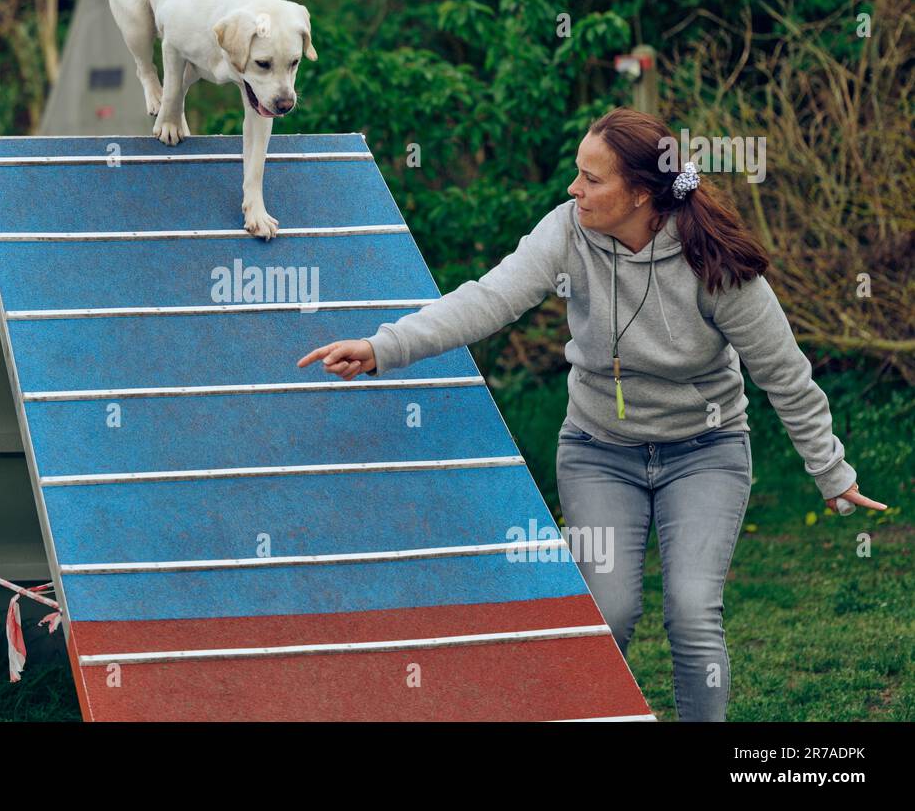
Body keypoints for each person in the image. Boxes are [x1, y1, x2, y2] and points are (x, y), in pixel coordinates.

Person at [297, 106, 886, 721]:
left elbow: (783, 373)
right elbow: (488, 299)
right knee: (608, 612)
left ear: (638, 192)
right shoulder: (568, 230)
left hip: (705, 452)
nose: (574, 189)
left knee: (691, 610)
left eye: (592, 179)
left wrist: (831, 469)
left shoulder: (715, 264)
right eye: (577, 174)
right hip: (598, 450)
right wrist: (382, 347)